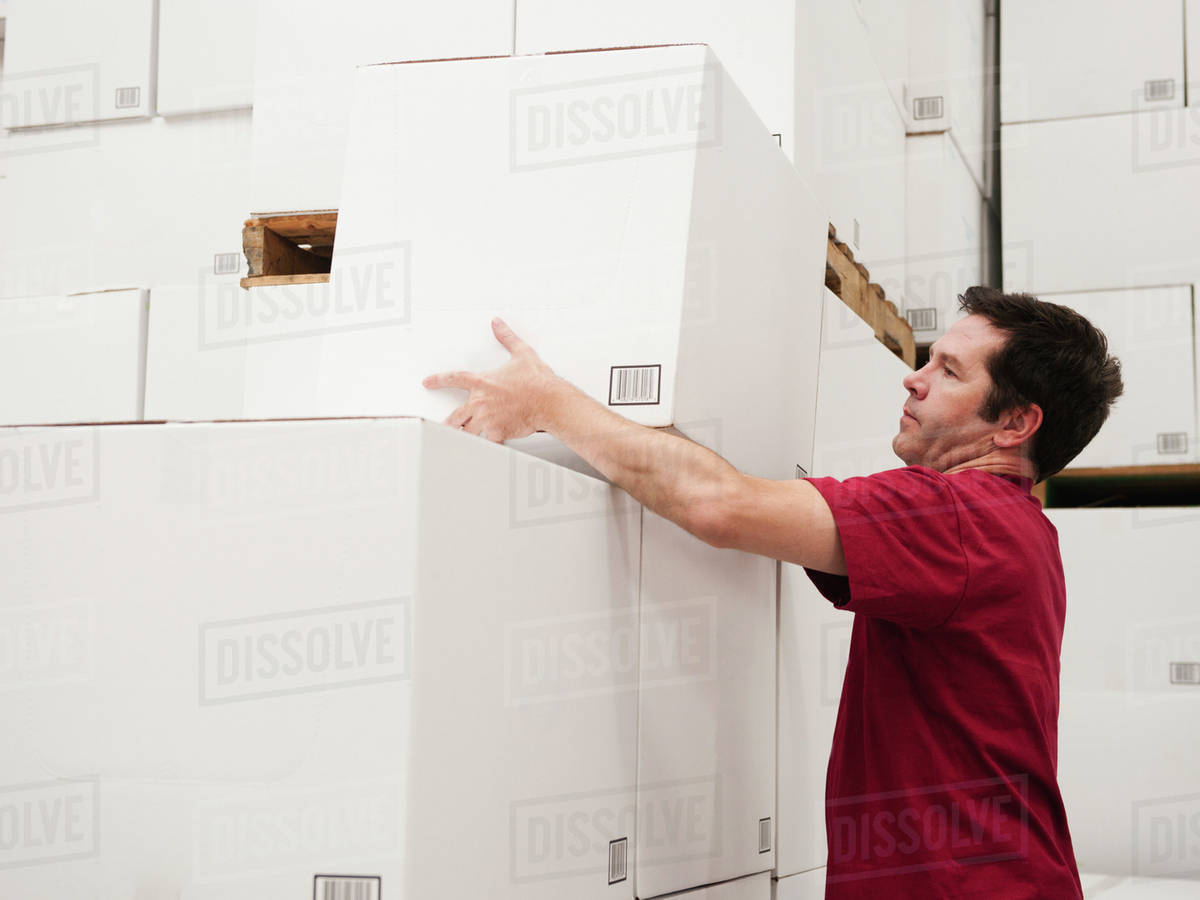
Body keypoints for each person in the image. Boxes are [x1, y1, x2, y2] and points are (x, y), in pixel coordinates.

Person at [423, 286, 1124, 898]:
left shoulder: (960, 519)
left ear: (1015, 423)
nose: (913, 380)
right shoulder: (1011, 529)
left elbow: (718, 506)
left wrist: (550, 401)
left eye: (948, 370)